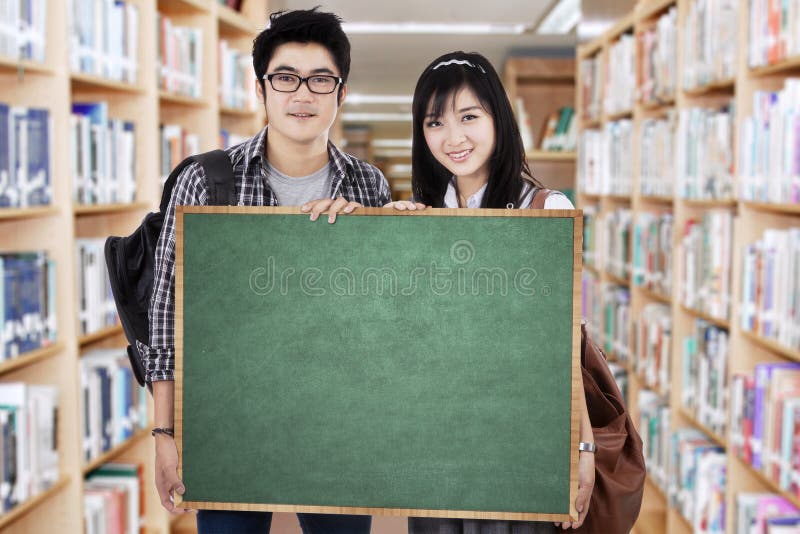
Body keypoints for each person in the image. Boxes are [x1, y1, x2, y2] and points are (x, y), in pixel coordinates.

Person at [145, 8, 390, 534]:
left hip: (338, 425)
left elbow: (382, 317)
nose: (302, 94)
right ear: (261, 90)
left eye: (321, 80)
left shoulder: (368, 185)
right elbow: (166, 314)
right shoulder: (206, 181)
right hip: (230, 420)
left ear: (340, 94)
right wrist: (164, 433)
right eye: (285, 78)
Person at [387, 51, 595, 533]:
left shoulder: (544, 211)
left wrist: (583, 447)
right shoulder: (422, 216)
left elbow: (563, 343)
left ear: (498, 118)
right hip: (436, 448)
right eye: (435, 122)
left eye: (469, 117)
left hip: (519, 445)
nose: (453, 137)